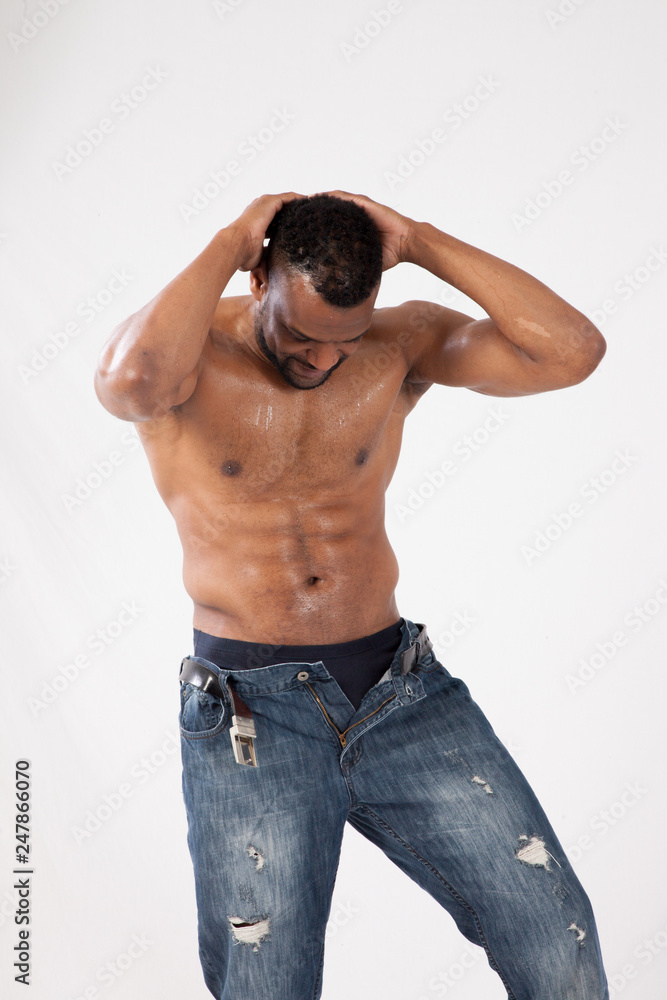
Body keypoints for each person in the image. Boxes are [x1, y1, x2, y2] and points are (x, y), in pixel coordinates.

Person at [94, 190, 610, 999]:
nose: (323, 360)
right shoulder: (188, 357)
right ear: (259, 274)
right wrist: (234, 234)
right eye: (301, 333)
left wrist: (421, 240)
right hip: (252, 719)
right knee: (267, 983)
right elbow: (128, 382)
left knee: (555, 937)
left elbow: (570, 353)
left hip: (402, 692)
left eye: (346, 338)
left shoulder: (398, 343)